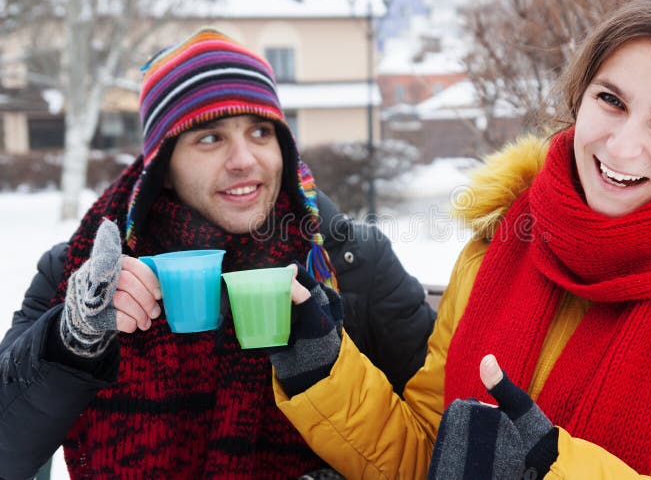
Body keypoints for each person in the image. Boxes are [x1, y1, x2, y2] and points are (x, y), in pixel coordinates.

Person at [272, 0, 651, 478]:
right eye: (611, 100)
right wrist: (323, 369)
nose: (621, 147)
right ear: (580, 98)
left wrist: (551, 466)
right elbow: (427, 456)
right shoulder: (494, 247)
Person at [0, 28, 435, 478]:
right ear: (163, 167)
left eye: (261, 131)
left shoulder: (349, 262)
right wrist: (70, 343)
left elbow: (435, 444)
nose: (244, 159)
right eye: (210, 138)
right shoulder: (83, 274)